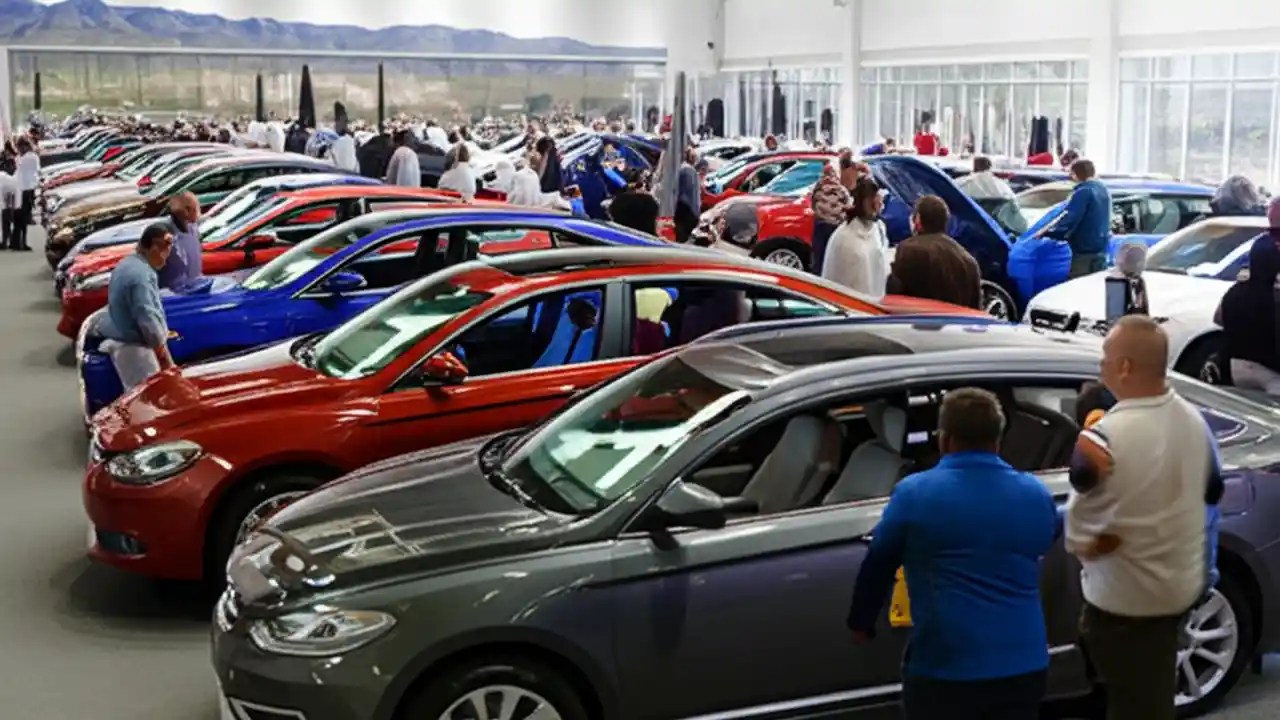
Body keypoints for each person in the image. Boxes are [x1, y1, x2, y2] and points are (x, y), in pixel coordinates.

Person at [848, 388, 1058, 720]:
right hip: (1024, 666)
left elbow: (879, 561)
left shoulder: (915, 494)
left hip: (947, 668)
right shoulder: (1036, 494)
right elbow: (1046, 537)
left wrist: (861, 622)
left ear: (944, 439)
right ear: (998, 440)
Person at [1067, 315, 1223, 720]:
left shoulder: (1108, 435)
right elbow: (1212, 494)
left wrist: (1094, 542)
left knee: (1134, 705)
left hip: (1124, 609)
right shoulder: (1194, 422)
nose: (1100, 365)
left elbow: (1080, 534)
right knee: (1146, 697)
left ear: (1124, 367)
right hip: (1174, 596)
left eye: (1105, 356)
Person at [94, 224, 177, 390]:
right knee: (146, 399)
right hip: (135, 351)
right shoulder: (142, 277)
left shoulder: (128, 263)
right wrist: (166, 359)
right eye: (165, 253)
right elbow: (148, 319)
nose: (166, 259)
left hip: (120, 339)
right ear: (153, 248)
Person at [887, 196, 983, 309]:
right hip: (955, 324)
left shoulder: (907, 250)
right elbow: (976, 310)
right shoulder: (968, 261)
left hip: (919, 322)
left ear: (917, 220)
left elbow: (894, 297)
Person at [1214, 233, 1280, 394]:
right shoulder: (1275, 296)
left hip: (1236, 367)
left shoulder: (1236, 290)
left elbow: (1218, 319)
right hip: (1271, 371)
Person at [1038, 158, 1111, 278]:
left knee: (1077, 290)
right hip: (1100, 252)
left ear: (1076, 174)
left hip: (1083, 254)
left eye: (1072, 174)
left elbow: (1069, 220)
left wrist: (1047, 233)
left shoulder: (1083, 192)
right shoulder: (1103, 190)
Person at [822, 177, 888, 296]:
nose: (881, 206)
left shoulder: (878, 228)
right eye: (878, 202)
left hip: (876, 301)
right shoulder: (845, 237)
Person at [811, 163, 852, 276]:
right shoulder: (841, 189)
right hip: (835, 227)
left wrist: (821, 214)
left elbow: (813, 204)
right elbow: (848, 206)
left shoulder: (818, 187)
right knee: (833, 257)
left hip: (821, 226)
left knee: (819, 257)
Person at [158, 192, 202, 291]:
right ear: (186, 210)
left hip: (193, 289)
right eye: (196, 208)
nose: (199, 213)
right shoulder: (164, 234)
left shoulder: (193, 229)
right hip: (172, 295)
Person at [12, 138, 38, 251]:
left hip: (25, 190)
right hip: (22, 189)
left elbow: (21, 169)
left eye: (19, 147)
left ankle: (19, 242)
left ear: (25, 146)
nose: (18, 150)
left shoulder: (29, 157)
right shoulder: (25, 157)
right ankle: (18, 242)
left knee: (21, 218)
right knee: (20, 218)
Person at [673, 147, 702, 244]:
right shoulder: (689, 171)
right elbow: (692, 194)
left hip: (685, 210)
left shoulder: (684, 169)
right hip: (688, 211)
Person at [0, 164, 15, 251]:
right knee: (6, 224)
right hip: (4, 205)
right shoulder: (5, 177)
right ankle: (6, 241)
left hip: (4, 205)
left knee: (5, 224)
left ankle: (5, 241)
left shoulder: (3, 177)